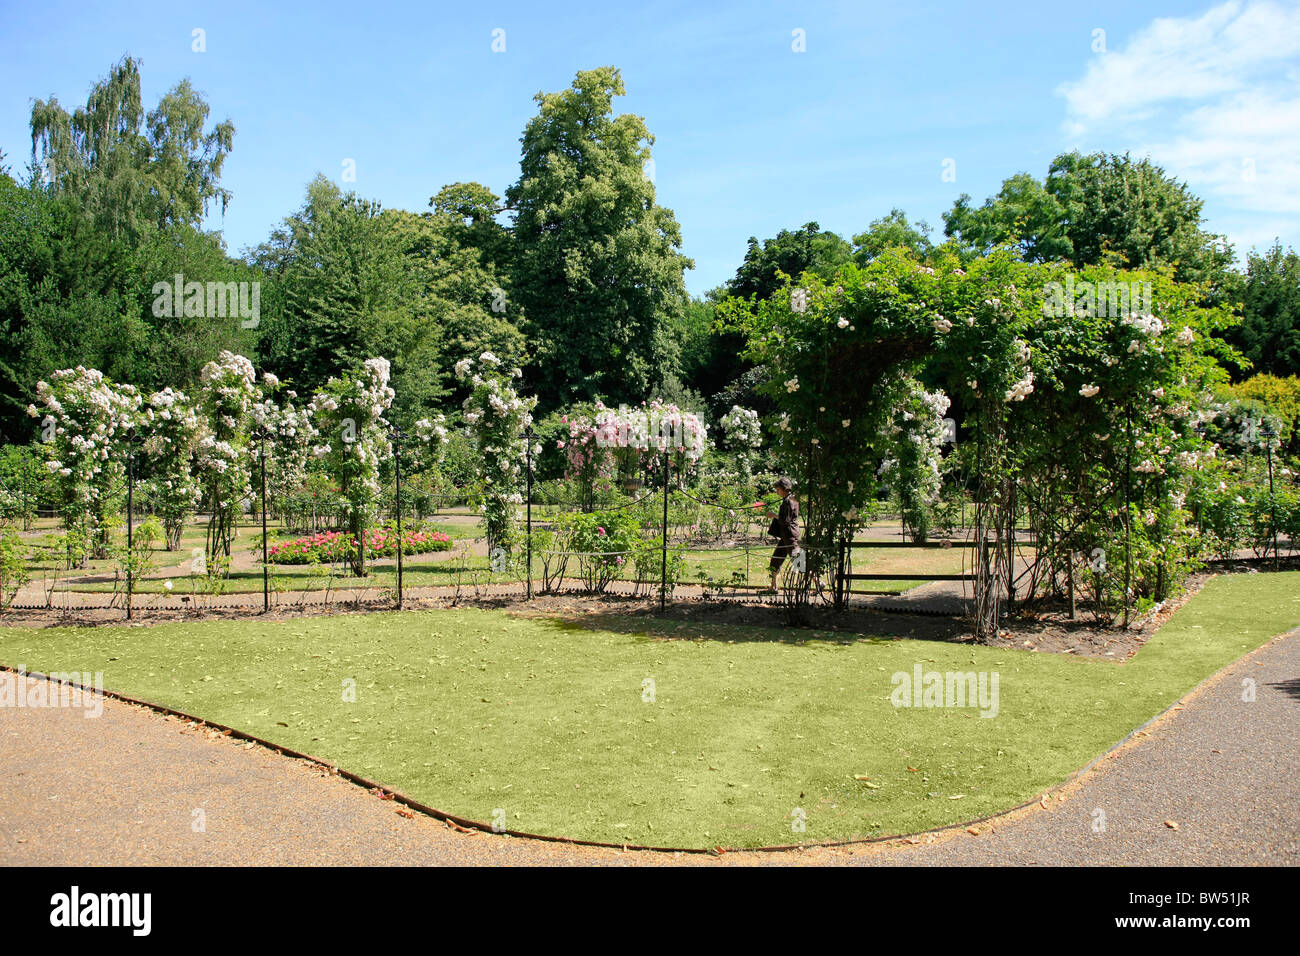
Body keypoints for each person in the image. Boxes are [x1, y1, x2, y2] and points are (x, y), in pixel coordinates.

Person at [766, 476, 800, 592]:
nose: (777, 491)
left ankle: (818, 582)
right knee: (776, 559)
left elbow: (785, 521)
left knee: (799, 561)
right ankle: (773, 586)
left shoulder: (788, 501)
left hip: (789, 536)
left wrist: (773, 515)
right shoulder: (791, 499)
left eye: (778, 489)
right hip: (786, 535)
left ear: (784, 488)